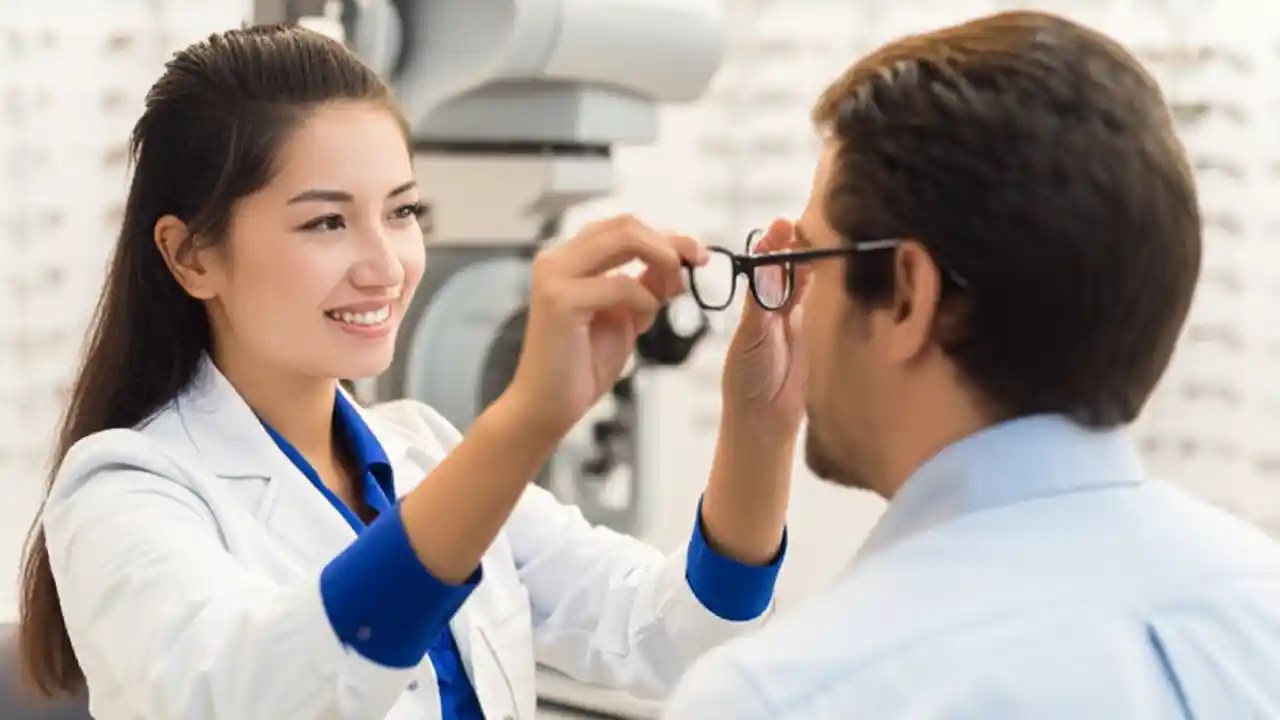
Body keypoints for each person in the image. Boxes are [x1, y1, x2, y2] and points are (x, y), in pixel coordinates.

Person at [16, 25, 807, 720]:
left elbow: (669, 633)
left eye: (402, 213)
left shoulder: (421, 453)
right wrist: (525, 419)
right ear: (191, 256)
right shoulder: (124, 490)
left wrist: (761, 425)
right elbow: (257, 696)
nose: (386, 265)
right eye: (327, 221)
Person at [666, 10, 1280, 719]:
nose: (793, 304)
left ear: (906, 297)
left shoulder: (787, 697)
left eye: (805, 260)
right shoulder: (1261, 606)